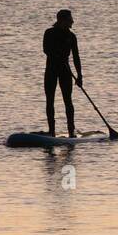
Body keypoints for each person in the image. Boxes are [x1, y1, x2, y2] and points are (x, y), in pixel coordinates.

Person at [42, 9, 82, 138]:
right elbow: (46, 50)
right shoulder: (49, 33)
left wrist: (80, 75)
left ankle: (71, 131)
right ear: (61, 20)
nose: (72, 22)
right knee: (50, 100)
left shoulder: (71, 36)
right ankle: (51, 131)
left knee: (68, 100)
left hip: (65, 71)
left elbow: (76, 57)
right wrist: (58, 55)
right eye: (70, 19)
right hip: (51, 70)